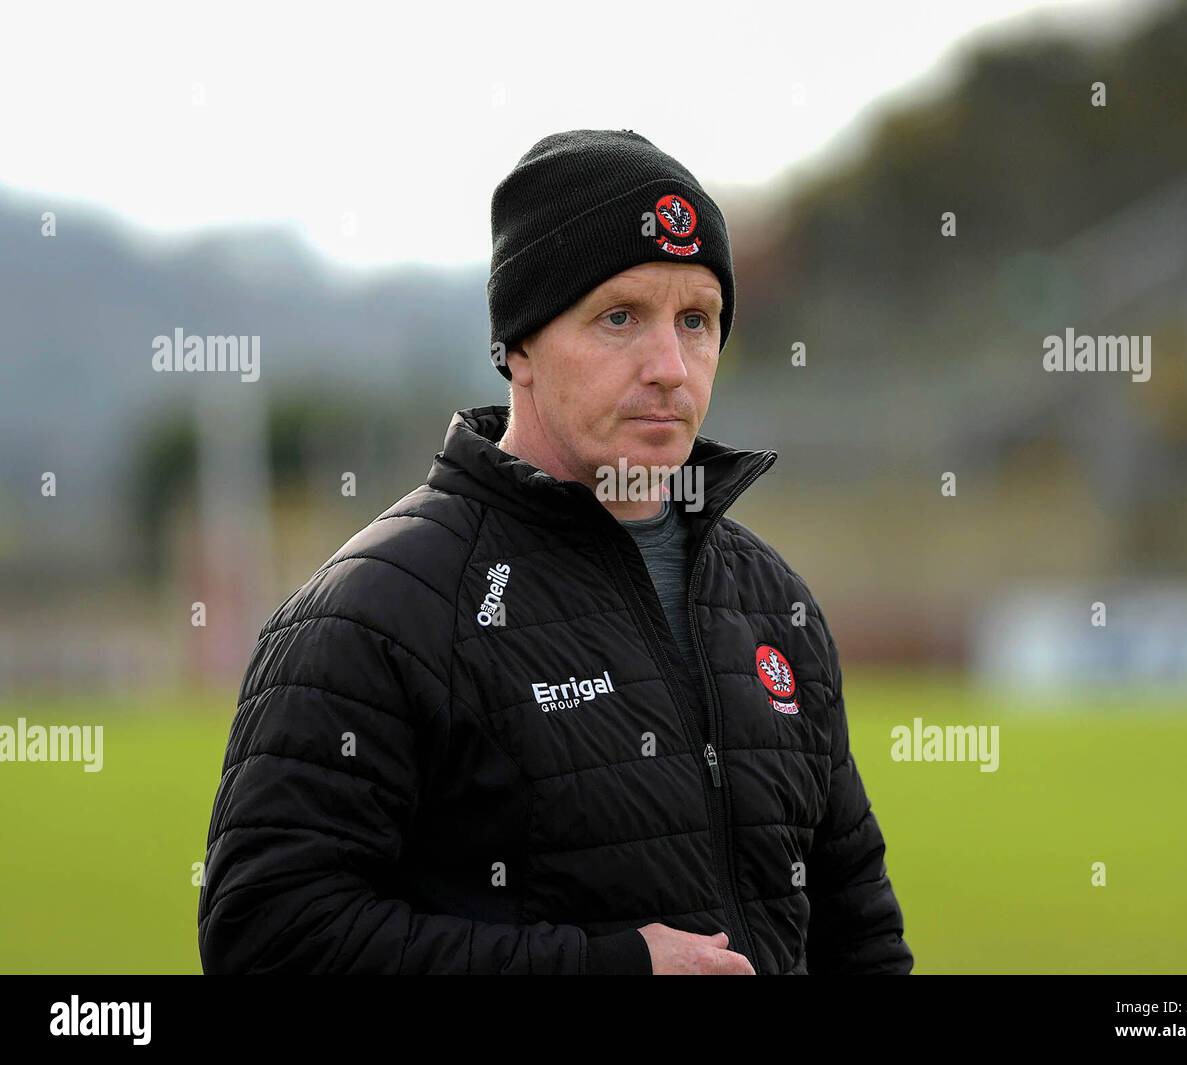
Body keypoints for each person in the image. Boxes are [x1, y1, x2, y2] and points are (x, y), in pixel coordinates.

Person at [197, 129, 913, 975]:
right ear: (520, 346)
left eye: (697, 320)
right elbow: (269, 939)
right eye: (620, 317)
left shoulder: (772, 601)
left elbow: (859, 935)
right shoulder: (379, 611)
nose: (670, 368)